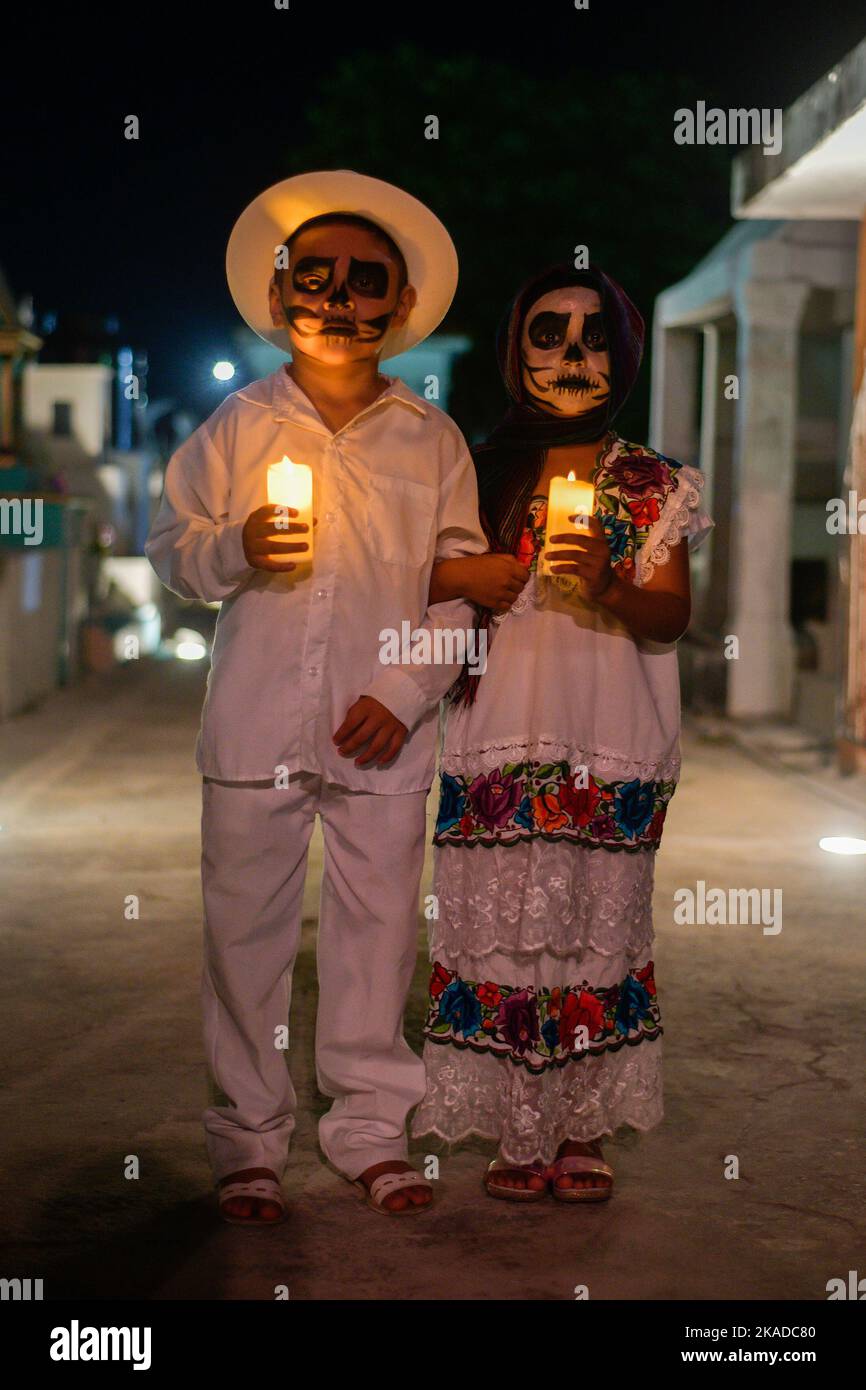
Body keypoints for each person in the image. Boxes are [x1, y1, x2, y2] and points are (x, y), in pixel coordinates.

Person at [145, 170, 487, 1222]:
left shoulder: (430, 442)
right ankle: (247, 1138)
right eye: (316, 277)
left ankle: (369, 1127)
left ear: (398, 305)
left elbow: (459, 581)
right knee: (242, 938)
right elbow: (170, 554)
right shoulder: (235, 426)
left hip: (380, 733)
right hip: (253, 724)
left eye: (363, 281)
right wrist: (234, 545)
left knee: (377, 933)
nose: (337, 299)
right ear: (280, 291)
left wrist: (402, 687)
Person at [411, 263, 714, 1201]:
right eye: (547, 334)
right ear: (515, 351)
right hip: (499, 731)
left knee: (592, 932)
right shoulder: (474, 470)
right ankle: (515, 1131)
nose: (572, 355)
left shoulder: (651, 481)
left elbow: (670, 619)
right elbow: (415, 578)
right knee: (504, 935)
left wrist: (612, 585)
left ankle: (581, 1131)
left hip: (609, 734)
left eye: (592, 338)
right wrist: (463, 579)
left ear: (621, 359)